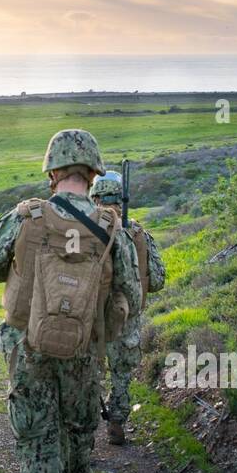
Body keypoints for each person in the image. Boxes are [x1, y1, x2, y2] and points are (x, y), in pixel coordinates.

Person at [0, 130, 142, 473]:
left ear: (53, 172)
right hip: (83, 348)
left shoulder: (26, 215)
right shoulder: (111, 226)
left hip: (27, 347)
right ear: (92, 173)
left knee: (37, 435)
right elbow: (133, 293)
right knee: (78, 434)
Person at [88, 170, 166, 445]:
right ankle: (117, 426)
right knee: (121, 375)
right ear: (122, 198)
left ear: (94, 197)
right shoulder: (138, 232)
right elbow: (157, 279)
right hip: (127, 317)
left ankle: (84, 436)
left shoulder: (82, 229)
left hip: (92, 317)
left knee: (89, 374)